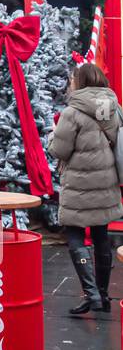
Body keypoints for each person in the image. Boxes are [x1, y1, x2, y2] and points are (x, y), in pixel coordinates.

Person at [48, 61, 122, 316]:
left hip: (79, 185)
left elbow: (60, 150)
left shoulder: (72, 112)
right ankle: (102, 295)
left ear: (80, 82)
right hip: (105, 182)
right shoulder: (113, 107)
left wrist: (51, 137)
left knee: (75, 237)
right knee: (101, 237)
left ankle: (91, 294)